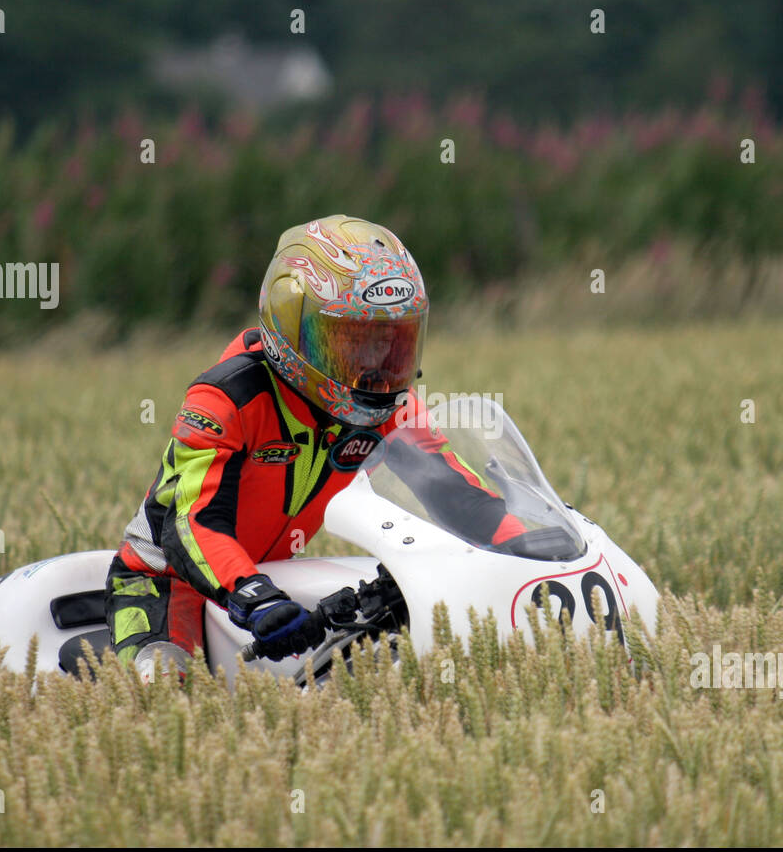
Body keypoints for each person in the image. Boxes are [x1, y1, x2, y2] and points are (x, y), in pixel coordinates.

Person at [104, 215, 524, 678]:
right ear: (291, 330)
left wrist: (529, 542)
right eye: (352, 345)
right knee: (167, 689)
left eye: (392, 345)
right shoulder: (225, 397)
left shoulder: (386, 406)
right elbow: (192, 527)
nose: (376, 370)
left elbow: (456, 493)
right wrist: (254, 596)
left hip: (275, 578)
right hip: (169, 582)